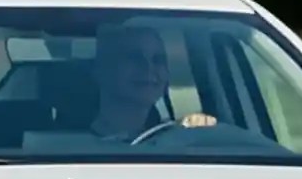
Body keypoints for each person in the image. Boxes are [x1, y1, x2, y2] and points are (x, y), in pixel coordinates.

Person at [88, 24, 217, 140]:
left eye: (158, 60)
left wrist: (200, 131)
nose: (149, 68)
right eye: (135, 58)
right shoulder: (75, 145)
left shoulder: (177, 141)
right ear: (102, 69)